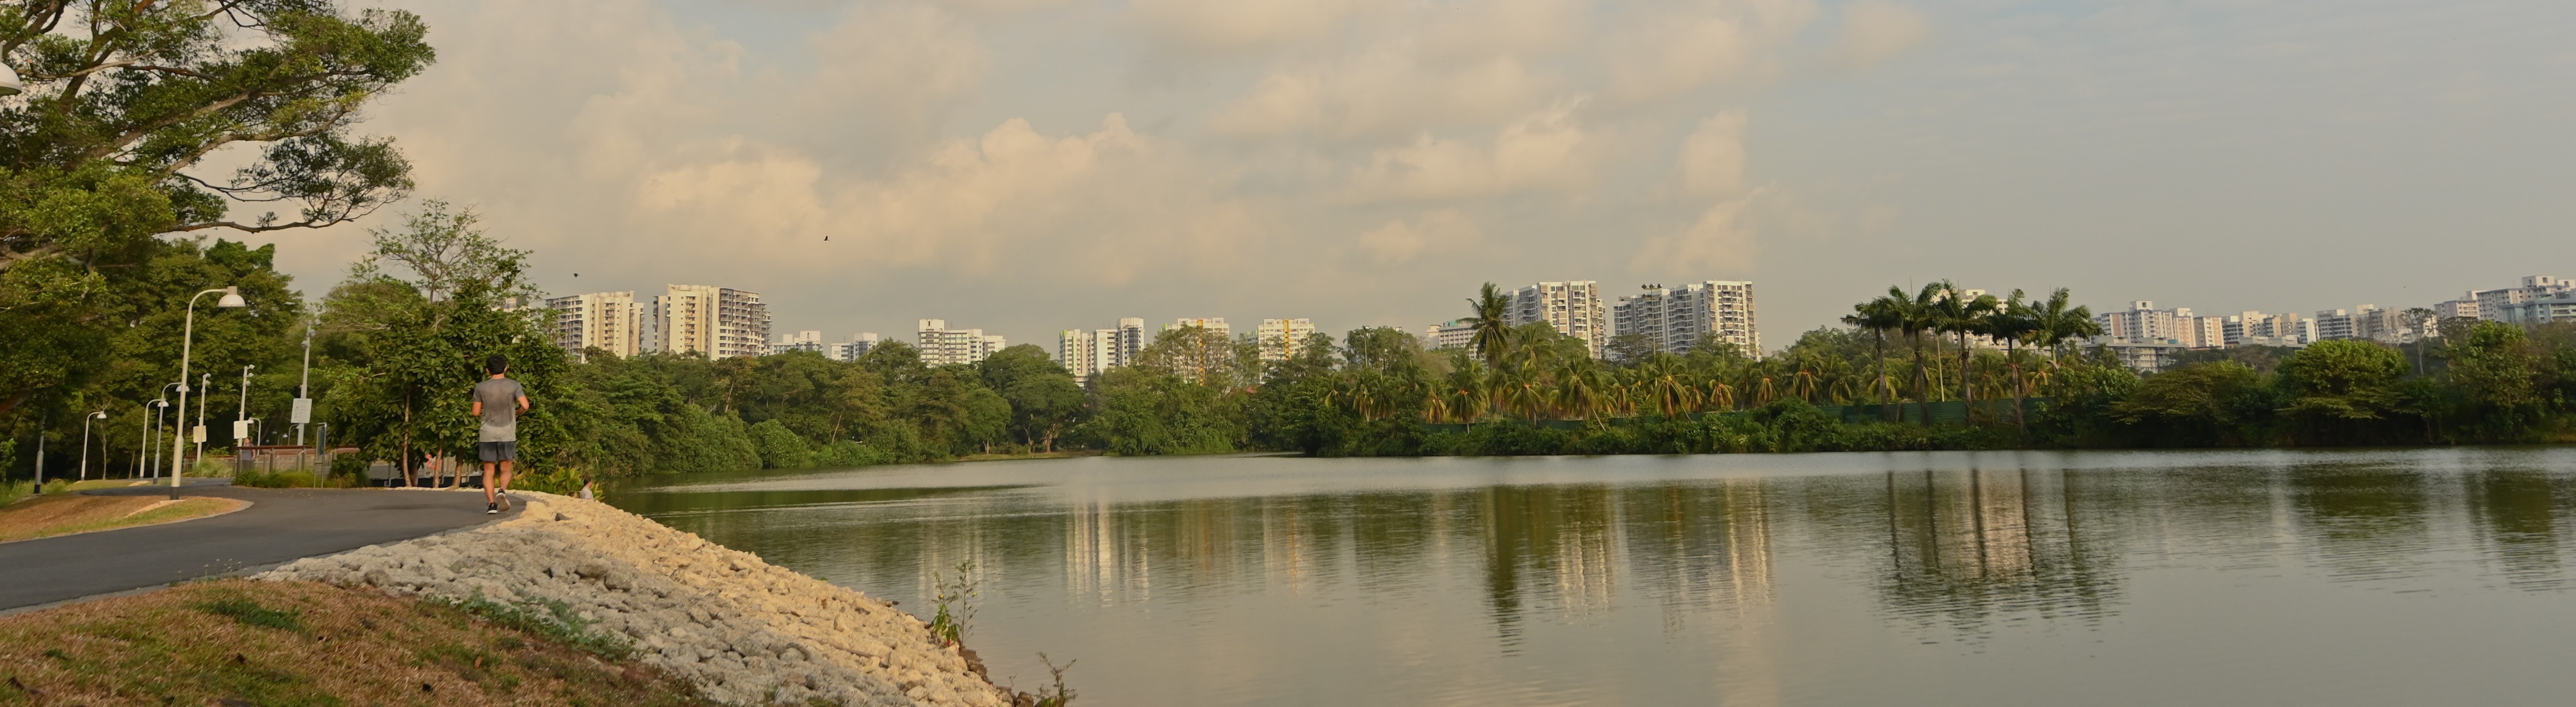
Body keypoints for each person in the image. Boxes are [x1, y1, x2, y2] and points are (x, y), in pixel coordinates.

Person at [470, 354, 530, 514]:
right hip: (507, 433)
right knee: (506, 468)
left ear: (488, 370)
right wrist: (516, 413)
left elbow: (476, 413)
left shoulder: (481, 387)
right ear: (506, 368)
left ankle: (491, 505)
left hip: (487, 433)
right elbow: (525, 405)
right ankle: (502, 491)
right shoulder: (514, 385)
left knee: (489, 470)